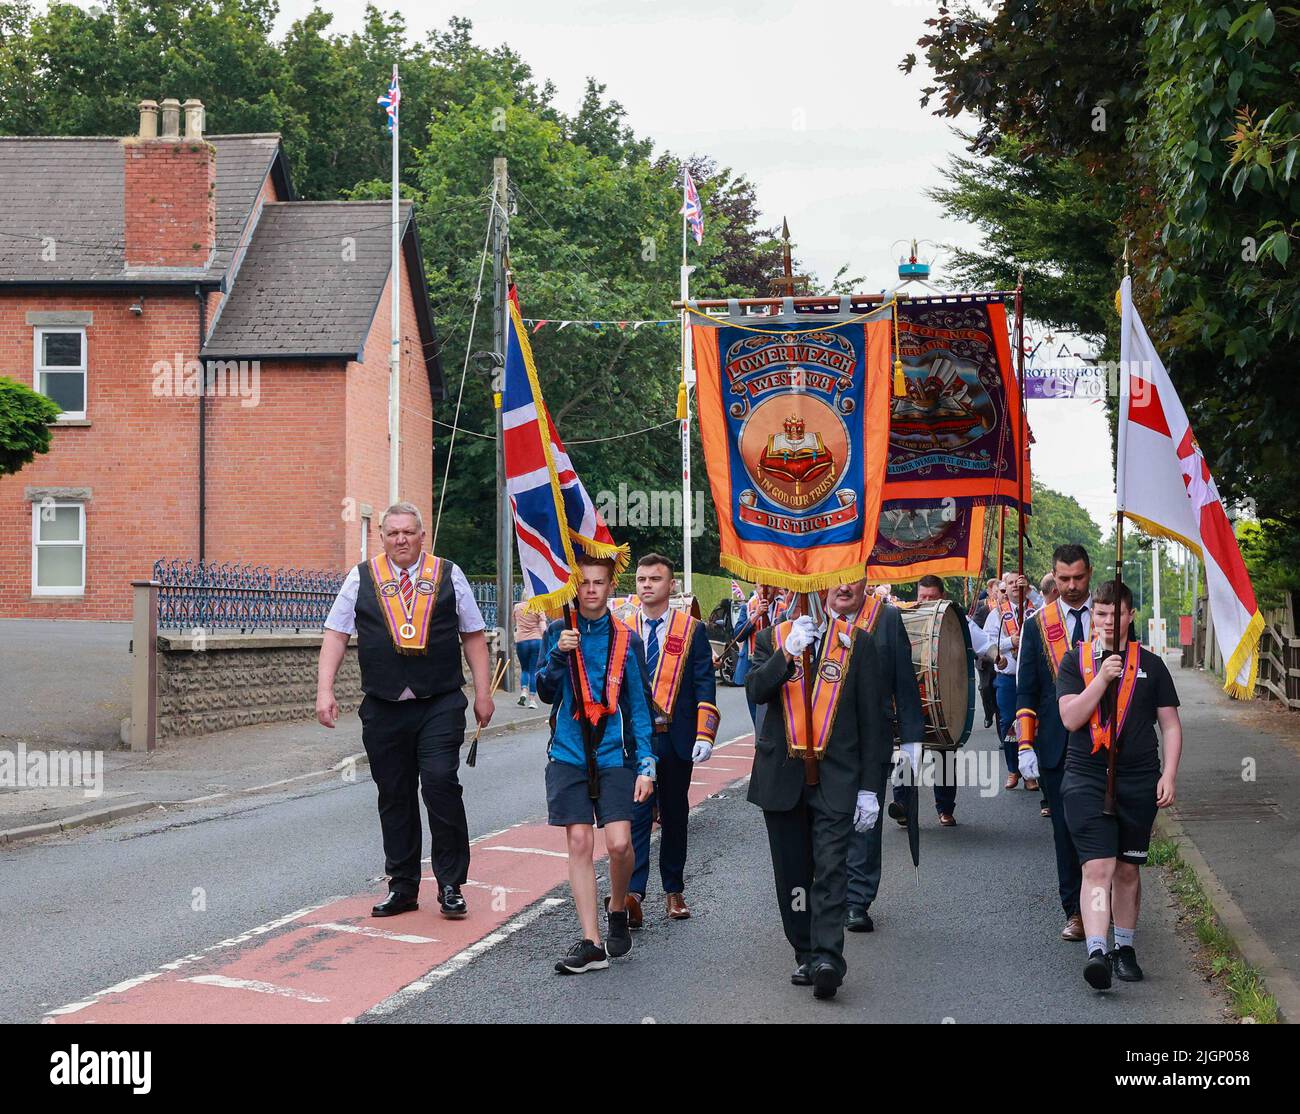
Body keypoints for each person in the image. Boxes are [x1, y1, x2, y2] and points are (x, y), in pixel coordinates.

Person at [317, 501, 494, 920]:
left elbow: (473, 634)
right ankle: (403, 886)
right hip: (383, 706)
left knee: (438, 785)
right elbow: (336, 633)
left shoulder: (449, 575)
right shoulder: (361, 578)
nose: (401, 539)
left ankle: (450, 884)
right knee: (394, 796)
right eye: (393, 533)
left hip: (440, 703)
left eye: (408, 532)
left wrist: (484, 693)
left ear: (422, 535)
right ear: (381, 537)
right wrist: (324, 690)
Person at [746, 598, 889, 1000]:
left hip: (837, 778)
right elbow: (756, 690)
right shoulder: (770, 638)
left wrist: (869, 788)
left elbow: (872, 722)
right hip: (782, 777)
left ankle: (828, 957)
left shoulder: (857, 644)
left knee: (830, 869)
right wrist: (786, 654)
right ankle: (805, 951)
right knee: (793, 878)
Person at [1056, 579, 1182, 989]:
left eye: (1117, 613)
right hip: (1086, 777)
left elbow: (1170, 725)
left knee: (1127, 870)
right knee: (1098, 867)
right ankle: (1097, 950)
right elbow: (1071, 718)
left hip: (1139, 779)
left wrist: (1169, 774)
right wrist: (1101, 680)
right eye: (1102, 613)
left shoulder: (1152, 665)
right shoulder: (1075, 663)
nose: (1109, 621)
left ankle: (1123, 948)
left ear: (1130, 616)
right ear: (1094, 617)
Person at [535, 553, 656, 975]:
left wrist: (647, 763)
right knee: (580, 842)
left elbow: (639, 706)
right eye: (583, 582)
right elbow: (544, 693)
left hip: (614, 753)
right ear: (574, 587)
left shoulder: (627, 638)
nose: (590, 590)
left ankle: (618, 907)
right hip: (567, 753)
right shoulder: (557, 630)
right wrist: (555, 655)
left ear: (609, 588)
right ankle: (591, 941)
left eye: (598, 583)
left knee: (620, 843)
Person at [822, 578, 924, 934]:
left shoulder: (887, 618)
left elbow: (904, 680)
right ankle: (824, 894)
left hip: (870, 738)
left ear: (865, 579)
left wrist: (912, 739)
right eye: (834, 579)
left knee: (865, 819)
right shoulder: (807, 617)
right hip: (818, 740)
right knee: (824, 822)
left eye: (851, 578)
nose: (843, 587)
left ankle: (857, 900)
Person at [627, 553, 720, 925]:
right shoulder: (623, 627)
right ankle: (633, 893)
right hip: (636, 740)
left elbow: (703, 682)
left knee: (674, 814)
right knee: (634, 815)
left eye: (655, 579)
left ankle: (673, 890)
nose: (647, 585)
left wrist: (705, 733)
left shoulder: (692, 628)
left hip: (675, 736)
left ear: (671, 585)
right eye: (641, 579)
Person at [1014, 544, 1092, 942]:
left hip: (1104, 740)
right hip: (1057, 744)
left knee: (1103, 828)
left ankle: (1104, 904)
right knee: (1065, 830)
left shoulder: (1110, 616)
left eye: (1078, 578)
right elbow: (1026, 690)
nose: (1072, 586)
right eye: (1064, 580)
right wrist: (1024, 744)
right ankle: (1075, 911)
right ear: (1054, 576)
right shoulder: (1036, 624)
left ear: (1090, 573)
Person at [983, 572, 1037, 791]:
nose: (1016, 586)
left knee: (1032, 722)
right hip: (1007, 678)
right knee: (1008, 724)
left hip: (1032, 678)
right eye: (1012, 583)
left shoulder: (1037, 610)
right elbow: (987, 643)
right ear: (1005, 587)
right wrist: (1008, 642)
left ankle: (1030, 773)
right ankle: (1013, 769)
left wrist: (1033, 592)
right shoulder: (997, 614)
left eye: (1020, 582)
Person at [973, 580, 999, 729]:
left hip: (1002, 657)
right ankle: (989, 713)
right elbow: (975, 628)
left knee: (999, 691)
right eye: (996, 591)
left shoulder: (1008, 609)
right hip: (985, 658)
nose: (998, 594)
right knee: (985, 688)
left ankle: (1001, 728)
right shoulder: (983, 608)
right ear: (989, 591)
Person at [513, 596, 546, 708]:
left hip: (521, 640)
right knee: (533, 670)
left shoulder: (517, 607)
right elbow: (543, 627)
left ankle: (523, 691)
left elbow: (515, 621)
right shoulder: (538, 607)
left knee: (524, 669)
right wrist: (546, 640)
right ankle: (532, 700)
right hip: (536, 641)